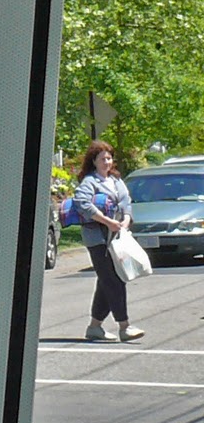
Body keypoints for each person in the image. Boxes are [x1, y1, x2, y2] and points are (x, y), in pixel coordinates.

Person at [74, 140, 144, 342]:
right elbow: (81, 203)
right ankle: (124, 326)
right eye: (102, 159)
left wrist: (126, 219)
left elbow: (126, 202)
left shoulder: (116, 181)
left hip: (116, 238)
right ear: (93, 161)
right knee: (113, 280)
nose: (106, 162)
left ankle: (94, 327)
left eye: (109, 158)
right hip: (97, 239)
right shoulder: (90, 182)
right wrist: (107, 221)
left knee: (107, 281)